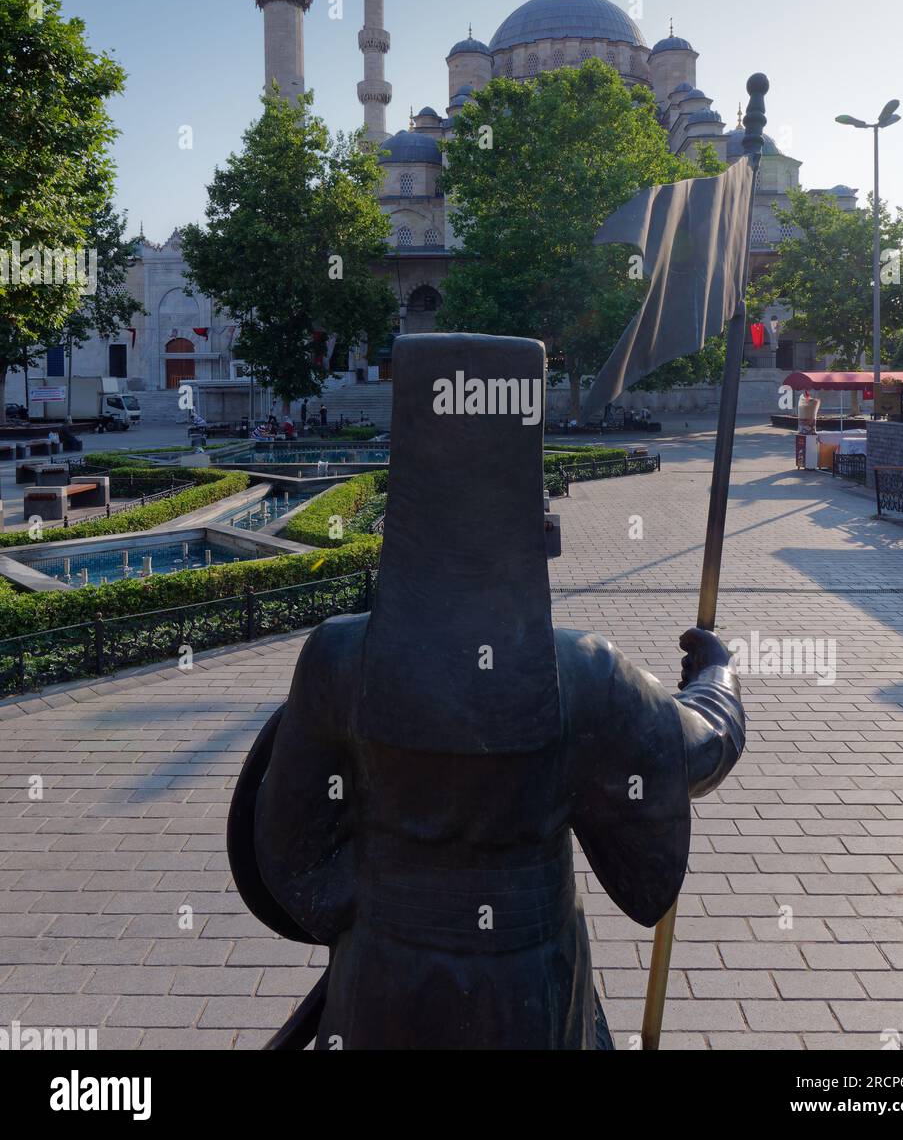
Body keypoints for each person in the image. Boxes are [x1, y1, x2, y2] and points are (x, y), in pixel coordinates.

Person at [228, 334, 744, 1050]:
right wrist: (716, 673)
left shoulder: (340, 656)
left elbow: (287, 845)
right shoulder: (585, 670)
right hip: (530, 987)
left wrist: (382, 918)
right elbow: (699, 752)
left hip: (383, 982)